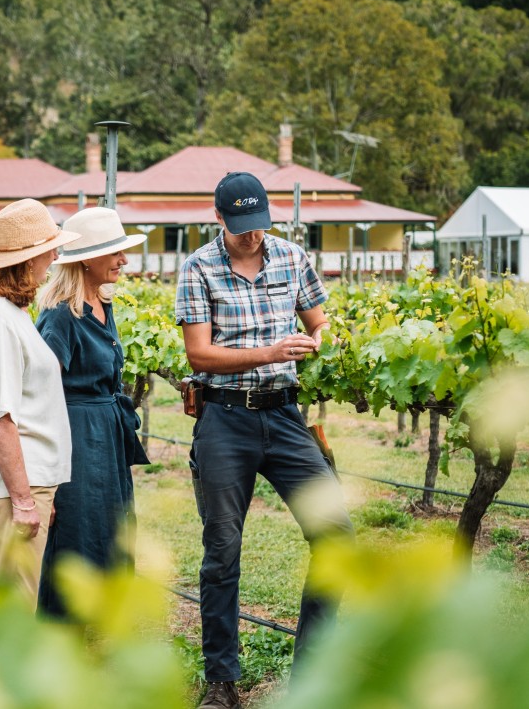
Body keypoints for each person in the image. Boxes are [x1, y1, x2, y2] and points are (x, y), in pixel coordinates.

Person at [174, 172, 354, 709]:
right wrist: (271, 352)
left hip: (284, 417)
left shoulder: (291, 257)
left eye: (259, 225)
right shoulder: (198, 268)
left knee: (337, 536)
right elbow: (199, 356)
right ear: (219, 219)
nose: (252, 236)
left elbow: (323, 322)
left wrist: (319, 338)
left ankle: (313, 673)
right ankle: (221, 682)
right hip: (225, 419)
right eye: (241, 227)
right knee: (222, 552)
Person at [0, 198, 80, 604]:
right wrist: (24, 500)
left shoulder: (8, 313)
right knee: (13, 607)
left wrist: (38, 492)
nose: (55, 256)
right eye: (49, 248)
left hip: (26, 484)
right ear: (27, 260)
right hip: (11, 491)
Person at [34, 206, 152, 619]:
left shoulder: (102, 304)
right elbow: (39, 390)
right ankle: (61, 626)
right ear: (86, 259)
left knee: (108, 527)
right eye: (115, 252)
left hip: (106, 434)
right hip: (75, 438)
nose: (123, 260)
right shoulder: (61, 316)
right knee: (75, 531)